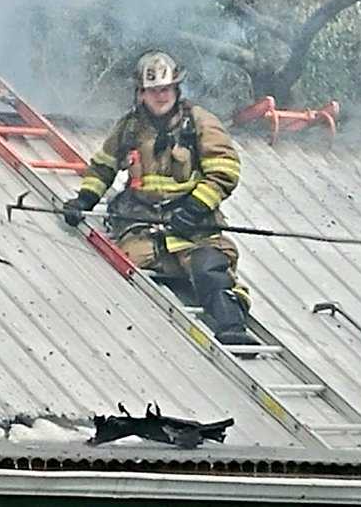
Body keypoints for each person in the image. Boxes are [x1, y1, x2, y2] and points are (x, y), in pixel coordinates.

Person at [62, 50, 255, 345]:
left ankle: (232, 323)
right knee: (126, 266)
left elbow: (225, 171)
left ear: (177, 89)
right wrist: (84, 200)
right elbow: (103, 166)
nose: (160, 96)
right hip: (143, 229)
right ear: (141, 94)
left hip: (194, 228)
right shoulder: (128, 128)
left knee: (209, 268)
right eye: (153, 91)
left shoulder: (201, 123)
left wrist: (194, 209)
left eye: (165, 89)